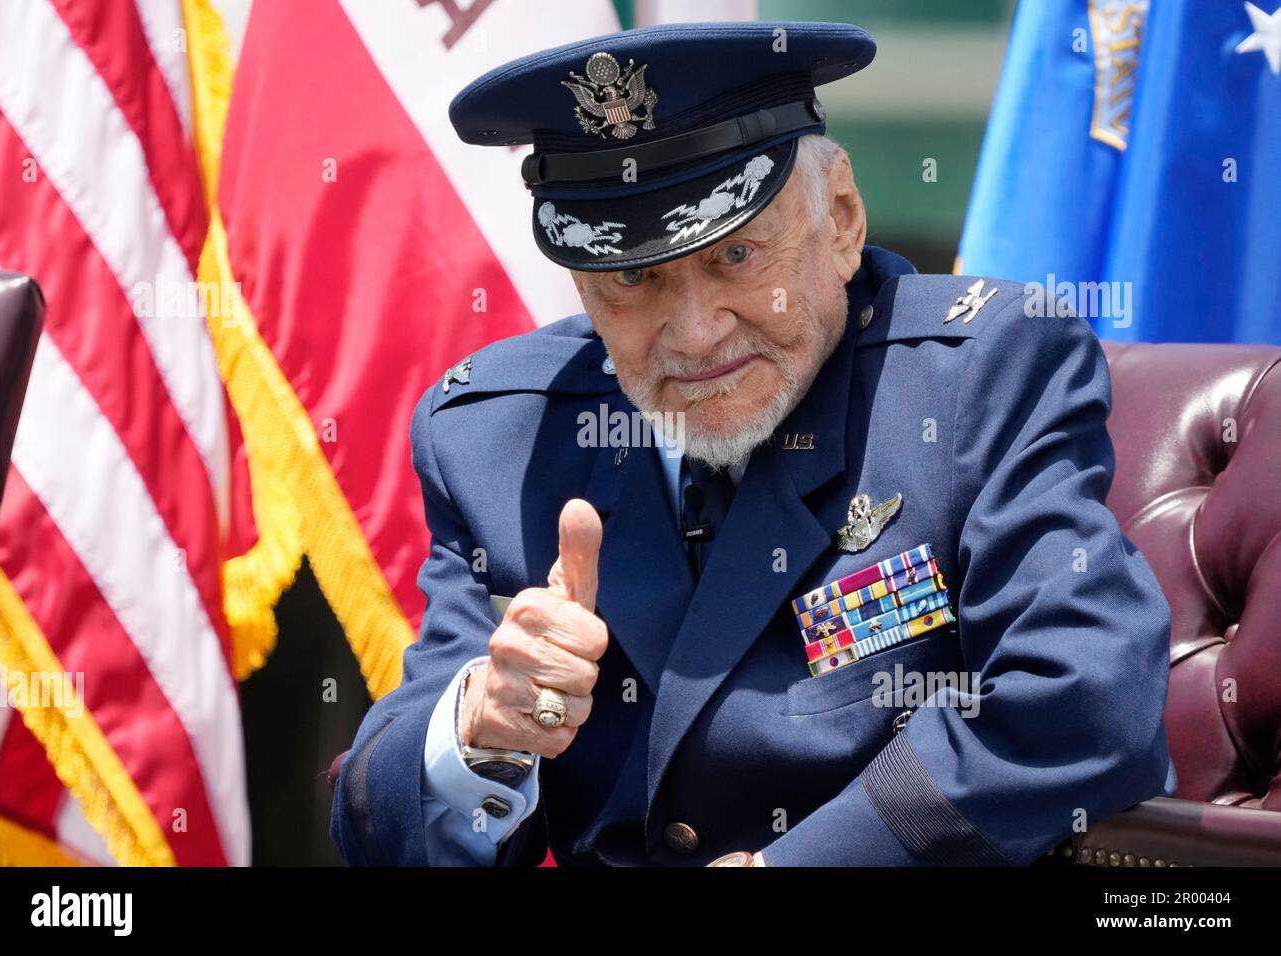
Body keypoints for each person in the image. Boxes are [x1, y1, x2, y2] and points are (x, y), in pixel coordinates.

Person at [331, 20, 1176, 867]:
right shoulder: (494, 434)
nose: (694, 334)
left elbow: (1085, 696)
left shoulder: (977, 376)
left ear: (841, 218)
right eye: (632, 277)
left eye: (736, 254)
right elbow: (374, 809)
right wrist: (480, 728)